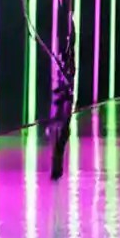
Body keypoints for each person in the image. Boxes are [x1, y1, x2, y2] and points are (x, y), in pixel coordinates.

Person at [47, 25, 75, 181]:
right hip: (59, 95)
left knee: (63, 130)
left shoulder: (68, 59)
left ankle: (57, 165)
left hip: (65, 95)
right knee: (57, 130)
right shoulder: (56, 59)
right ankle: (55, 165)